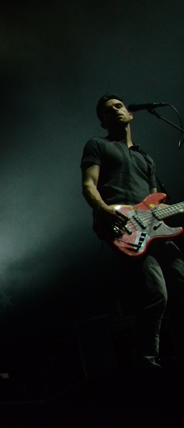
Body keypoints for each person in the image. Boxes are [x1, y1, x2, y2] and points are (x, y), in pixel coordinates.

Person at [81, 93, 184, 373]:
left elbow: (155, 201)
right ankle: (146, 361)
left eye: (118, 106)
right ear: (102, 122)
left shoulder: (145, 158)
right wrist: (103, 211)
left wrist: (167, 214)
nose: (114, 111)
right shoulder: (98, 145)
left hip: (154, 231)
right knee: (156, 293)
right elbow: (89, 185)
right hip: (123, 228)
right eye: (106, 111)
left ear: (130, 114)